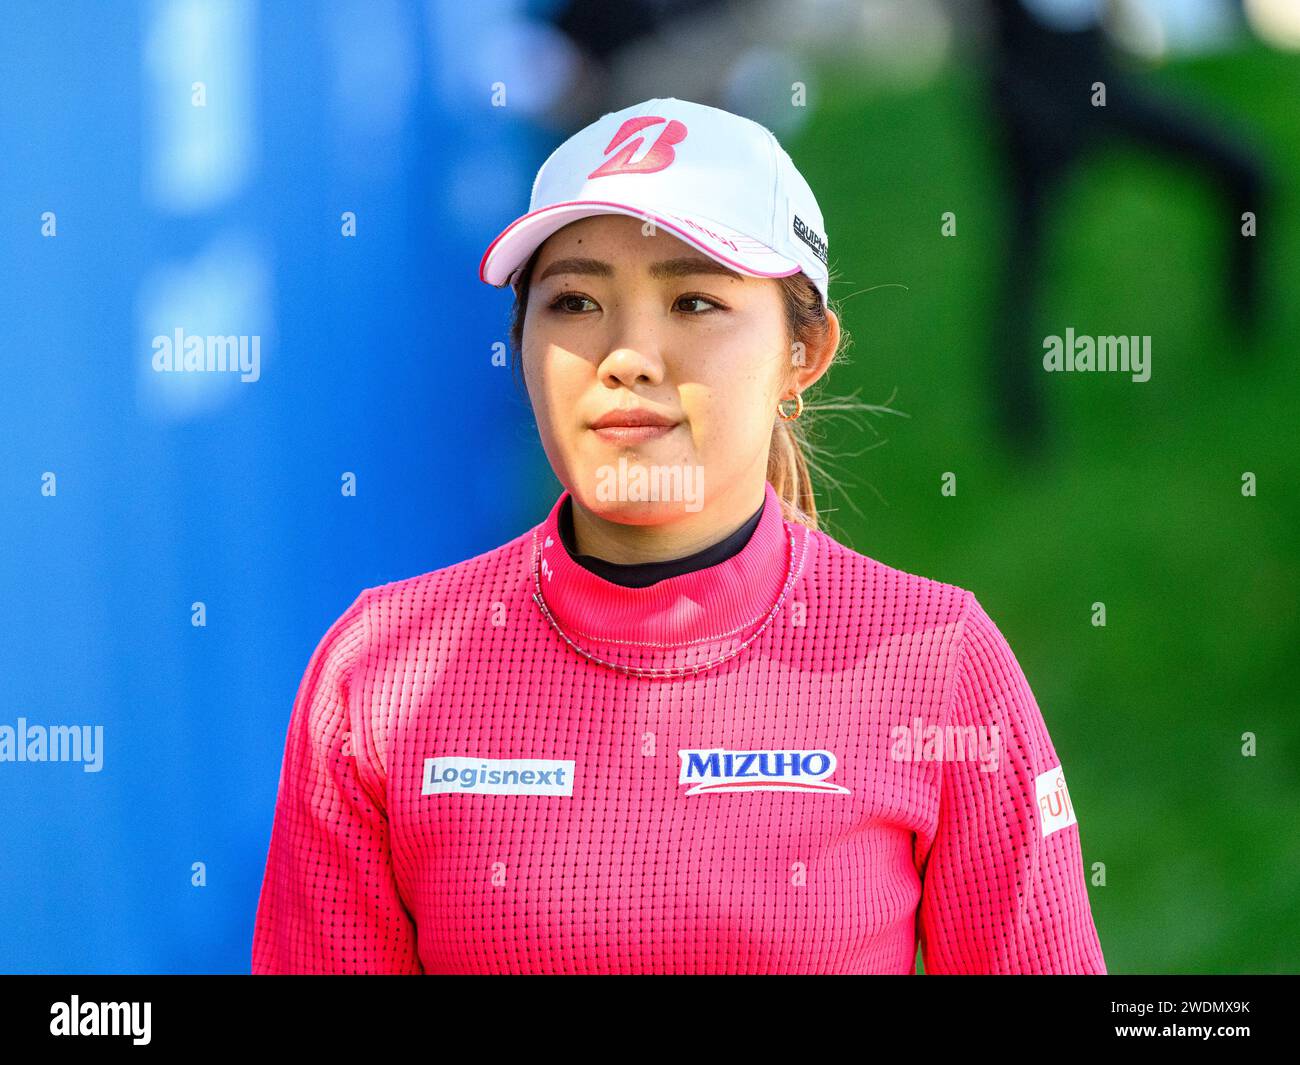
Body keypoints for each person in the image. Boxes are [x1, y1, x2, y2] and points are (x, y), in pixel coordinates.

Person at [251, 97, 1106, 975]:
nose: (627, 354)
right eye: (576, 300)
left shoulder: (938, 662)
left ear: (801, 355)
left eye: (694, 299)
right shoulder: (377, 671)